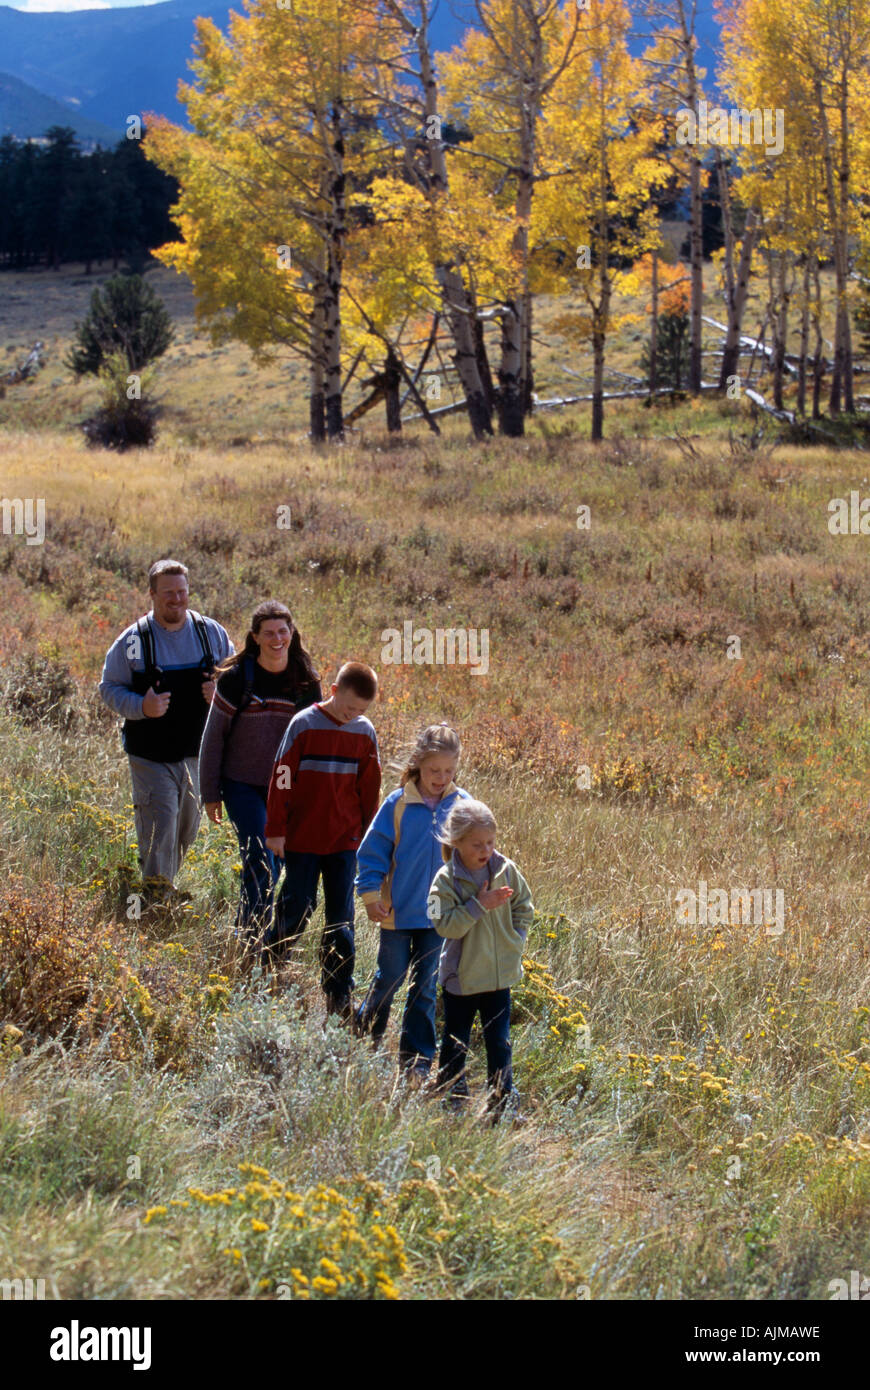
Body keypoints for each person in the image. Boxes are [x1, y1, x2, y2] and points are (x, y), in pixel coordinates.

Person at [98, 559, 233, 902]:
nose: (176, 599)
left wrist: (220, 692)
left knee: (187, 829)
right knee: (161, 826)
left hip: (196, 754)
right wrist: (142, 707)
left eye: (182, 592)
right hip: (151, 756)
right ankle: (157, 903)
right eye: (168, 593)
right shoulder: (133, 641)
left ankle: (160, 888)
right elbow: (109, 689)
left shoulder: (211, 634)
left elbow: (235, 680)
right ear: (152, 594)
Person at [199, 601, 322, 944]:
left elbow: (314, 743)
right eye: (268, 633)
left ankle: (265, 938)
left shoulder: (305, 682)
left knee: (276, 860)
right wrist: (210, 793)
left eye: (283, 631)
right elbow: (213, 739)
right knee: (258, 852)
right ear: (255, 637)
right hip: (241, 783)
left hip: (284, 786)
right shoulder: (237, 679)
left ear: (292, 633)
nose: (276, 638)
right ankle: (249, 935)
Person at [264, 662, 381, 1019]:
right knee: (297, 905)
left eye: (361, 711)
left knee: (341, 921)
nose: (353, 715)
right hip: (302, 837)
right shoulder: (303, 724)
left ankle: (338, 995)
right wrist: (276, 828)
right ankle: (267, 965)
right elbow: (282, 775)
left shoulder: (364, 732)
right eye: (348, 708)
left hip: (345, 843)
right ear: (332, 691)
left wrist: (369, 837)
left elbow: (369, 789)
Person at [353, 724, 469, 1081]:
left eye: (449, 771)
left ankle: (416, 1060)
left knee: (425, 988)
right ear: (419, 764)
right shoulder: (398, 804)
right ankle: (364, 1035)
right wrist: (371, 897)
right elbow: (372, 854)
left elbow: (474, 856)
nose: (441, 777)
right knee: (389, 976)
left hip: (439, 918)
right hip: (398, 914)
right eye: (435, 771)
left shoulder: (462, 805)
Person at [428, 798, 534, 1122]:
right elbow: (441, 923)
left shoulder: (506, 869)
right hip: (461, 978)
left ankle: (502, 1104)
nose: (485, 849)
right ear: (456, 842)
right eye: (477, 844)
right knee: (455, 1042)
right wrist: (479, 905)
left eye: (490, 842)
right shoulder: (444, 880)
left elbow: (525, 906)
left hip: (499, 977)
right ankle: (452, 1099)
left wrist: (515, 940)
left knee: (499, 1044)